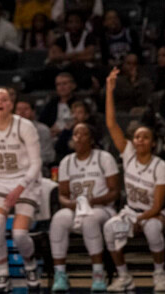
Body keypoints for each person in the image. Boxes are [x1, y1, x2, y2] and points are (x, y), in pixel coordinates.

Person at [104, 68, 165, 293]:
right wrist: (109, 91)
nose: (140, 140)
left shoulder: (160, 166)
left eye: (145, 137)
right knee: (110, 228)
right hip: (132, 213)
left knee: (152, 228)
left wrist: (139, 219)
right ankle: (124, 276)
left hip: (155, 215)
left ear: (153, 143)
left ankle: (160, 274)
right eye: (137, 137)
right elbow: (111, 124)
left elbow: (157, 206)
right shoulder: (128, 155)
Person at [0, 87, 43, 292]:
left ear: (11, 105)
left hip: (25, 181)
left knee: (19, 234)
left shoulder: (25, 126)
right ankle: (2, 273)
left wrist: (19, 189)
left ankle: (30, 265)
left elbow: (36, 163)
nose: (0, 102)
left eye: (4, 99)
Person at [50, 123, 121, 293]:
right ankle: (60, 274)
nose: (79, 138)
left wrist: (91, 201)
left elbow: (115, 192)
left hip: (103, 208)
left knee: (90, 219)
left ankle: (98, 274)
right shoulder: (66, 162)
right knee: (58, 219)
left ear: (92, 139)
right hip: (77, 208)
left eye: (84, 134)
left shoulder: (104, 158)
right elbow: (62, 195)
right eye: (76, 134)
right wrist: (73, 204)